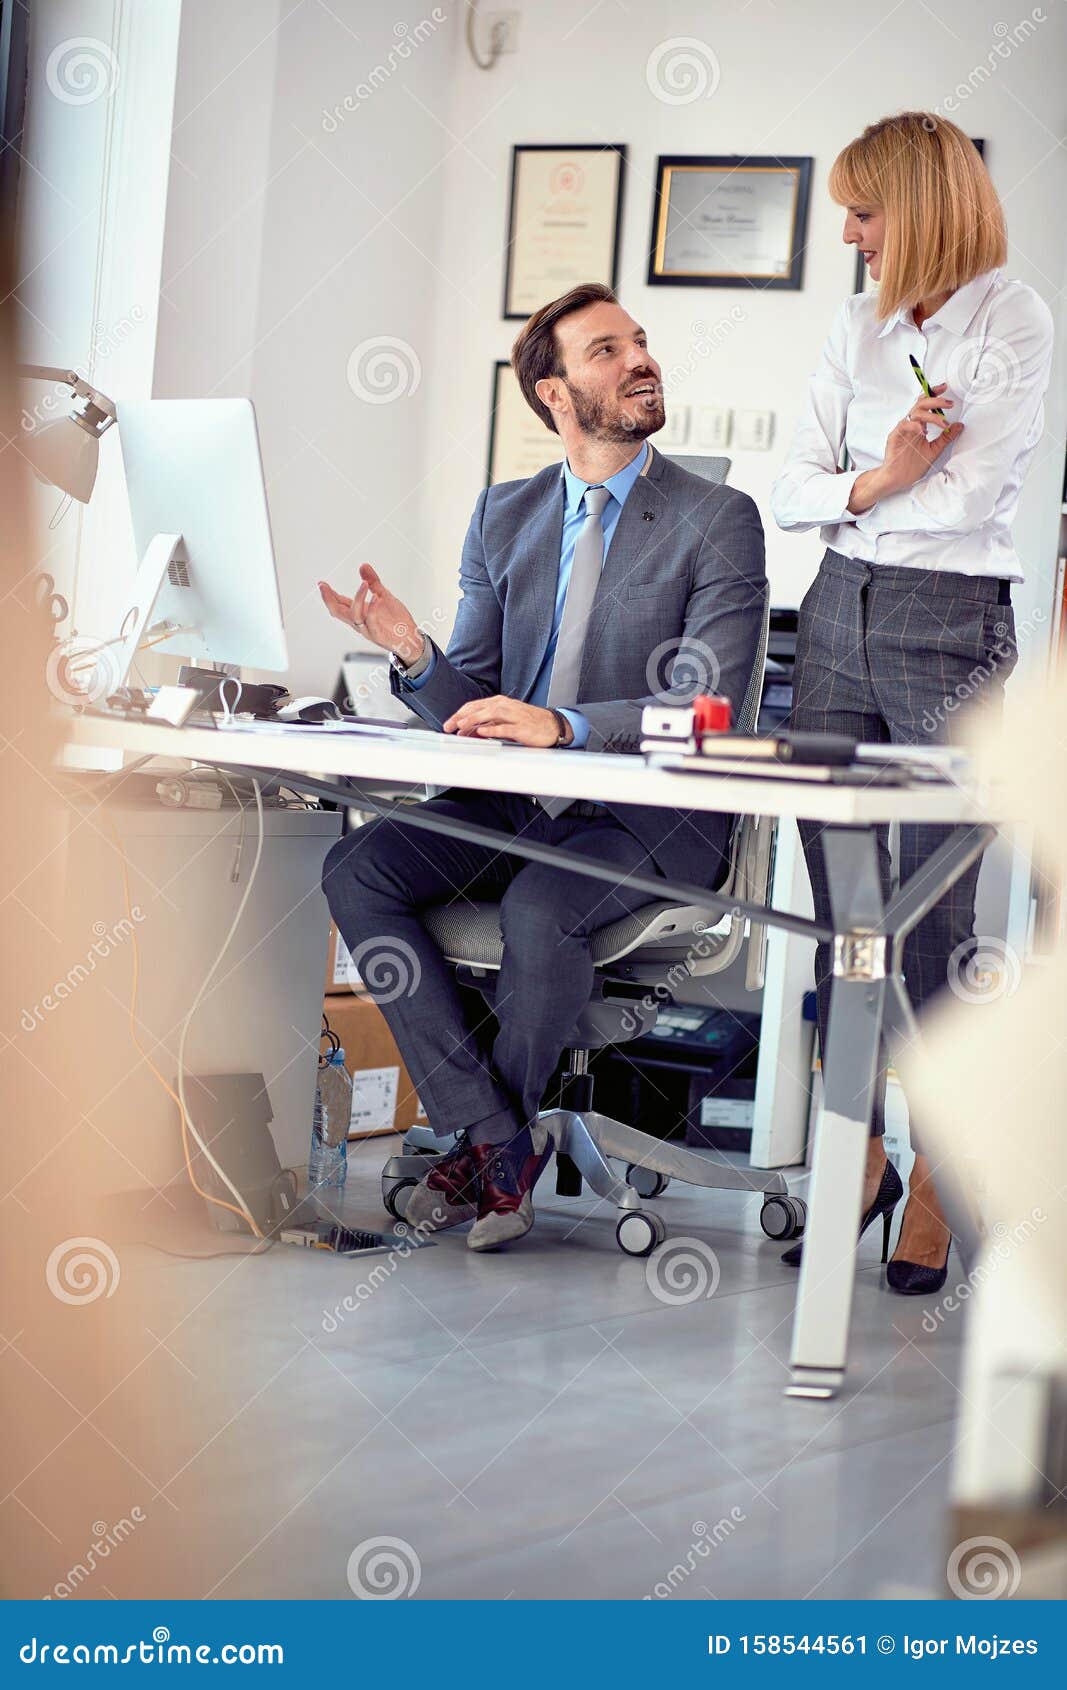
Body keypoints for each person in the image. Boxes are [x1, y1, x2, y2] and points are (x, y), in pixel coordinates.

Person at [320, 281, 766, 1251]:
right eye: (605, 350)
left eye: (638, 342)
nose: (638, 359)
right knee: (356, 868)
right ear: (556, 396)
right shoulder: (503, 516)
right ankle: (496, 1137)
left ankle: (484, 1149)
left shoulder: (716, 517)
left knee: (534, 908)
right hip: (523, 807)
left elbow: (711, 706)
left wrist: (562, 726)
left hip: (652, 821)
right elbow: (472, 712)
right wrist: (413, 657)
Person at [771, 112, 1054, 1294]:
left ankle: (939, 1170)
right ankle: (864, 1155)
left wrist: (864, 492)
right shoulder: (853, 321)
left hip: (948, 628)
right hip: (835, 615)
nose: (847, 233)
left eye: (864, 210)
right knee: (839, 900)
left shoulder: (1014, 318)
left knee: (935, 922)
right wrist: (880, 478)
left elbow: (972, 496)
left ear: (924, 208)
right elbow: (789, 490)